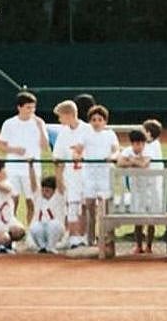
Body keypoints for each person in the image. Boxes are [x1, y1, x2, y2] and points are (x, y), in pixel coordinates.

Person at [0, 91, 49, 226]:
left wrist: (40, 127)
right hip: (13, 168)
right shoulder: (9, 123)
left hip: (32, 169)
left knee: (32, 200)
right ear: (19, 107)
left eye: (33, 107)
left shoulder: (39, 123)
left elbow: (45, 146)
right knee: (12, 199)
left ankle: (31, 230)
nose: (31, 110)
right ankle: (12, 228)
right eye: (28, 107)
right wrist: (15, 150)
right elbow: (1, 145)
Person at [52, 99, 93, 248]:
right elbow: (58, 158)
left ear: (69, 114)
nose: (59, 119)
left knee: (85, 206)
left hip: (87, 176)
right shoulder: (63, 133)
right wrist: (59, 179)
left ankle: (84, 236)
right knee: (72, 207)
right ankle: (73, 237)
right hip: (71, 176)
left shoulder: (88, 129)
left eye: (61, 116)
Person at [83, 105, 120, 247]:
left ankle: (107, 239)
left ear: (105, 121)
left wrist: (112, 157)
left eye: (100, 119)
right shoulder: (86, 135)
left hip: (105, 174)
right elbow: (78, 149)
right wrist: (77, 155)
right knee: (90, 207)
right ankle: (90, 240)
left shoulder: (110, 134)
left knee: (105, 207)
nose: (97, 122)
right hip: (90, 175)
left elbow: (116, 150)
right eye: (93, 119)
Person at [117, 129, 158, 253]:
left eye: (140, 143)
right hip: (136, 190)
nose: (137, 146)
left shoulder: (149, 150)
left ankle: (149, 246)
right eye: (135, 143)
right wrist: (135, 161)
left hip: (150, 189)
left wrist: (131, 161)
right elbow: (120, 162)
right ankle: (139, 245)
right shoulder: (128, 151)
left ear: (144, 143)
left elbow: (144, 164)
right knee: (137, 219)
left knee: (151, 219)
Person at [27, 167, 64, 254]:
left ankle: (51, 247)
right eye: (43, 190)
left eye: (47, 190)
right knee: (34, 227)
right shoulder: (38, 198)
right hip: (41, 230)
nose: (44, 193)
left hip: (55, 231)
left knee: (54, 224)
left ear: (54, 191)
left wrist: (57, 166)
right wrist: (31, 166)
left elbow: (60, 184)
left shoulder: (58, 197)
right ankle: (42, 247)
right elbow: (33, 183)